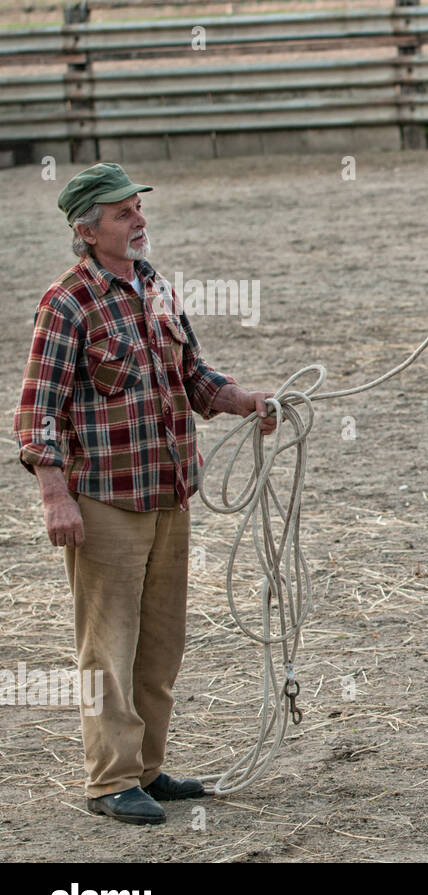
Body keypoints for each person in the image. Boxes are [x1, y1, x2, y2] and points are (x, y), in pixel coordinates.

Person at [12, 162, 278, 825]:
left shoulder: (155, 286)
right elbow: (35, 411)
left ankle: (147, 770)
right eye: (123, 213)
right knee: (109, 643)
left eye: (138, 208)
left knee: (161, 643)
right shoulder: (66, 302)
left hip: (168, 492)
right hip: (104, 499)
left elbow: (192, 375)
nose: (139, 221)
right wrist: (55, 495)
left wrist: (245, 399)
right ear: (87, 228)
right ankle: (110, 780)